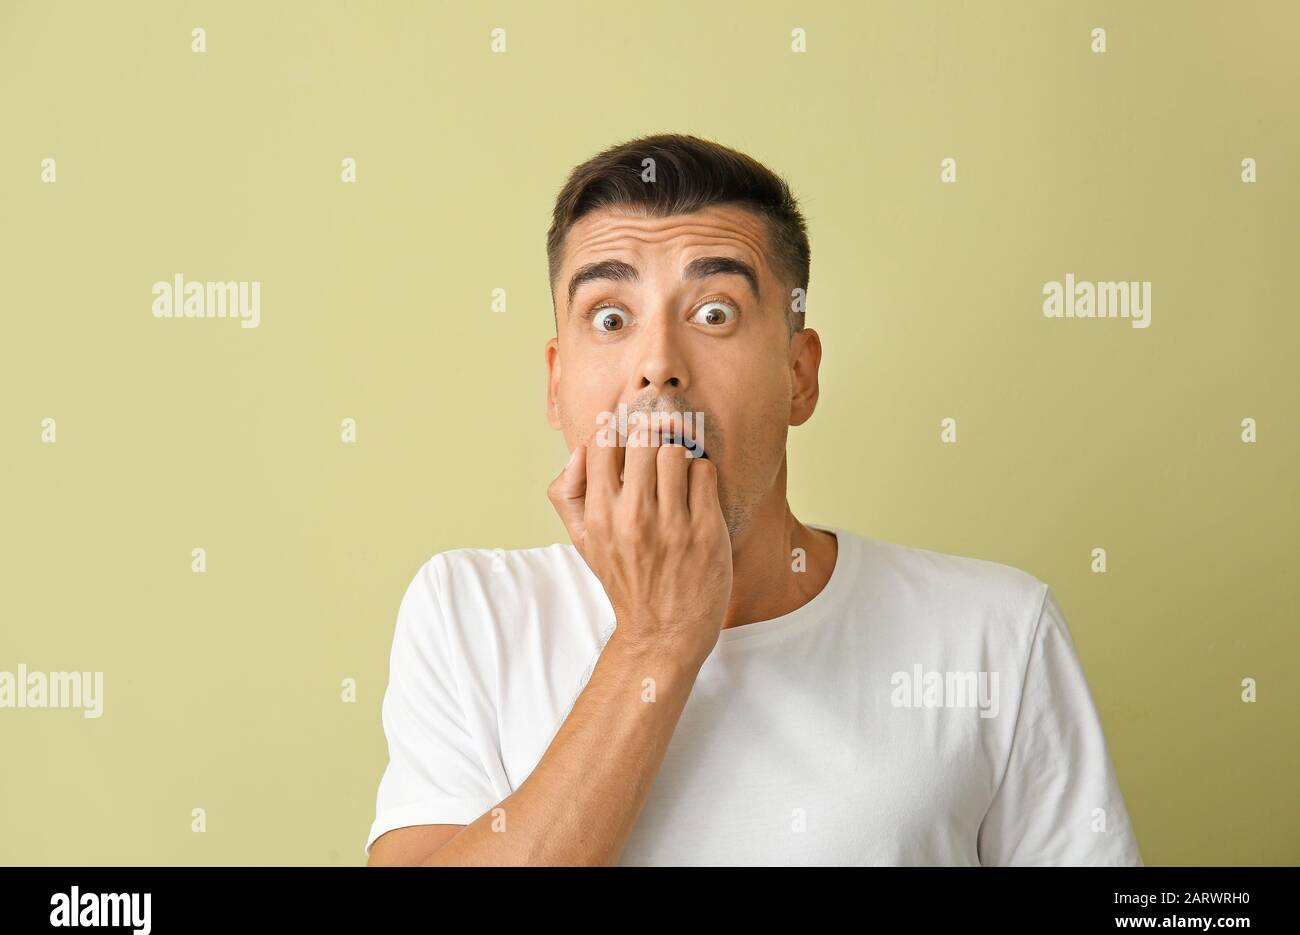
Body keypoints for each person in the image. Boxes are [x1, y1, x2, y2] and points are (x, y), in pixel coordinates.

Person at [365, 133, 1143, 866]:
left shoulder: (997, 633)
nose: (657, 365)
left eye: (714, 314)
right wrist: (656, 639)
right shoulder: (468, 612)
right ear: (556, 381)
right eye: (610, 318)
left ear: (798, 374)